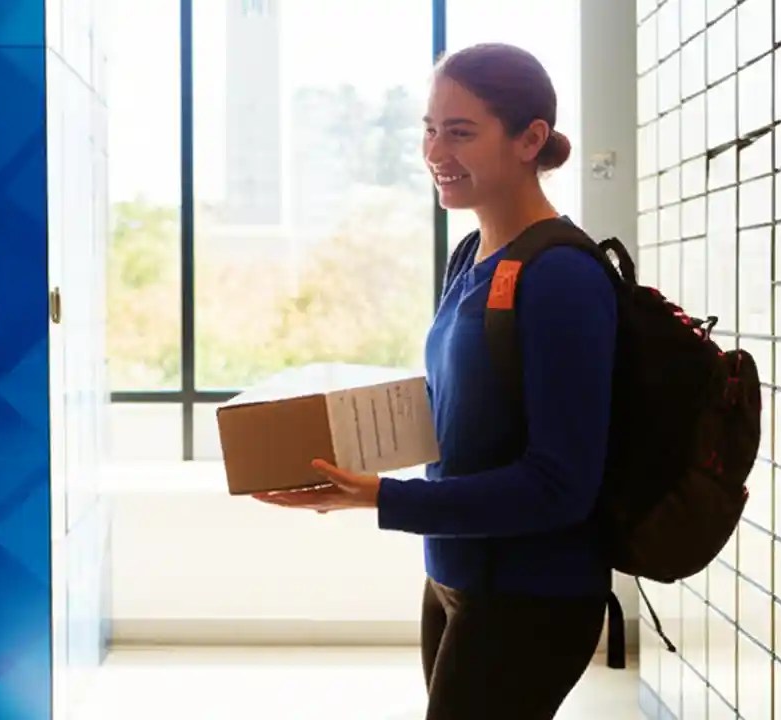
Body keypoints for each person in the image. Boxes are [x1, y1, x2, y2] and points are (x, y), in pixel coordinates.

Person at [255, 42, 616, 720]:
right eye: (428, 128)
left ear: (529, 138)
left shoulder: (563, 276)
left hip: (530, 596)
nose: (434, 151)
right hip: (455, 576)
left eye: (460, 132)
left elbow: (561, 486)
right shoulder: (470, 255)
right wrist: (343, 456)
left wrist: (382, 499)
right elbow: (459, 405)